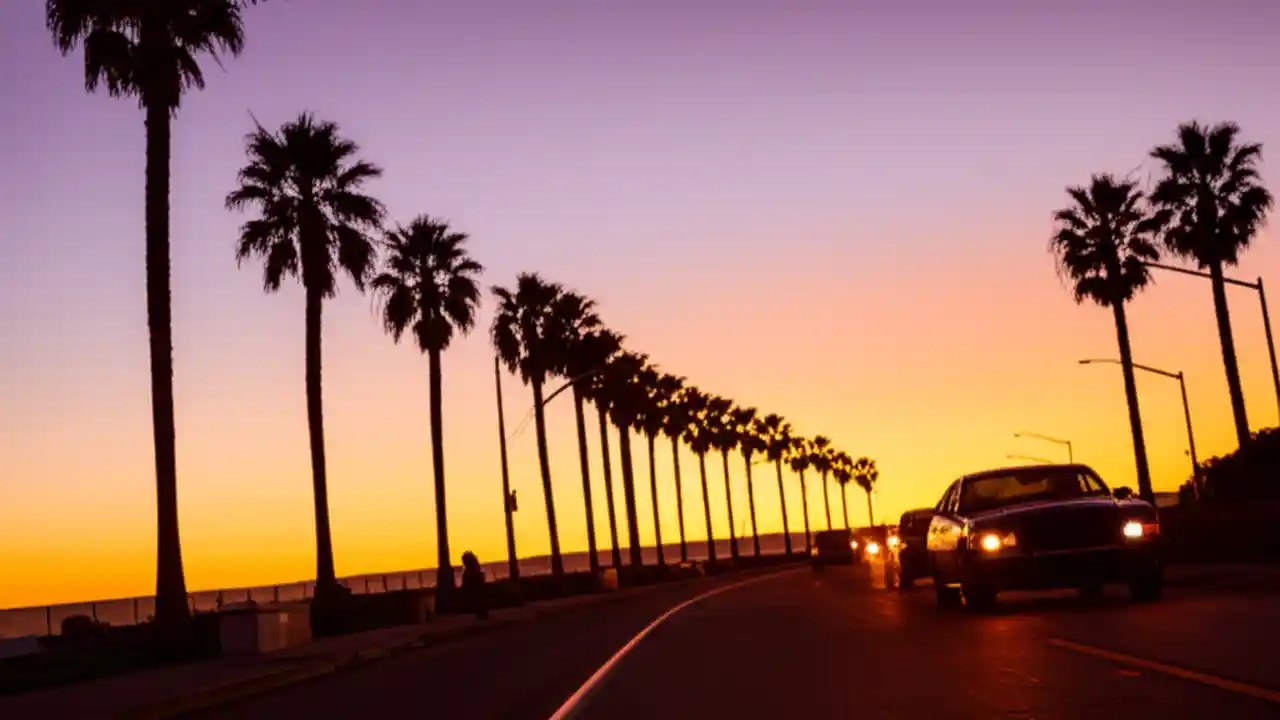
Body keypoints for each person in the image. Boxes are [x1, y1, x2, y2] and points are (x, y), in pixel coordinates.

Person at [460, 551, 489, 620]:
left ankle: (481, 614)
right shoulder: (471, 570)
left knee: (478, 600)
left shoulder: (470, 571)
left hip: (475, 589)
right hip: (475, 589)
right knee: (479, 600)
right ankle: (482, 614)